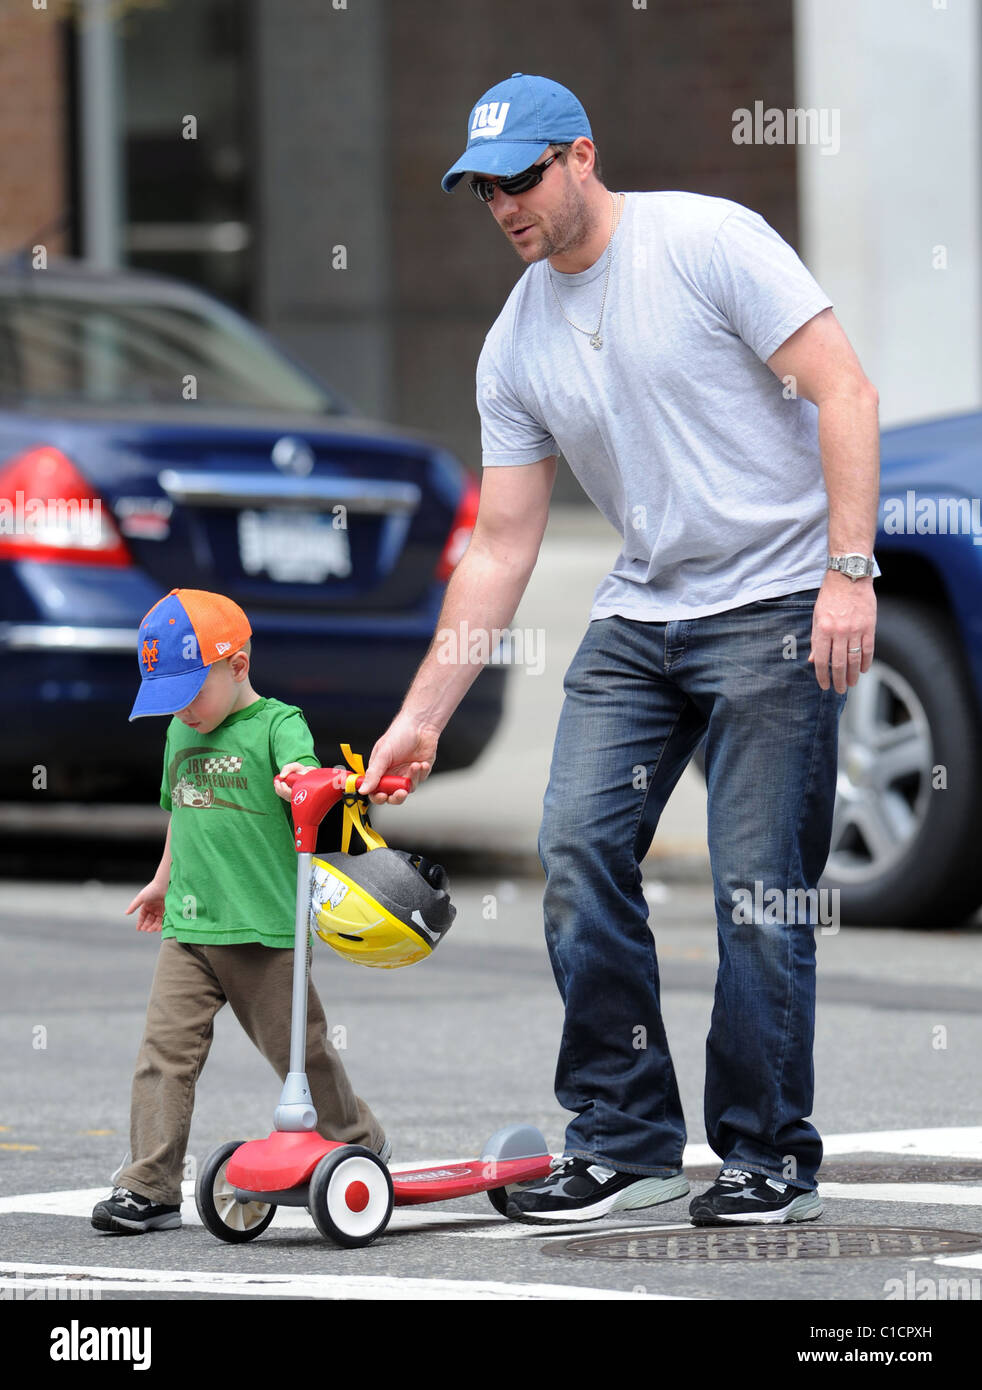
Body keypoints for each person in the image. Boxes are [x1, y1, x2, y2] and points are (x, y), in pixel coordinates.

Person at [358, 72, 879, 1227]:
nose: (504, 204)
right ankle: (626, 1135)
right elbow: (499, 546)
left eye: (523, 176)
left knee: (757, 892)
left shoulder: (707, 242)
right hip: (642, 617)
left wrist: (849, 572)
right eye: (484, 187)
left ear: (580, 156)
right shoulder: (515, 342)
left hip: (777, 600)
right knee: (578, 848)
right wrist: (424, 716)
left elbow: (843, 390)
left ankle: (765, 1154)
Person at [91, 588, 388, 1234]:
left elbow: (304, 772)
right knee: (162, 1052)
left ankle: (358, 1139)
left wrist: (302, 781)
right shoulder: (180, 731)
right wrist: (162, 882)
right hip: (191, 929)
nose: (181, 711)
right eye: (167, 698)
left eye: (189, 692)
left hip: (263, 932)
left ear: (238, 666)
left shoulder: (277, 725)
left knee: (301, 1055)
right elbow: (181, 813)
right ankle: (149, 1182)